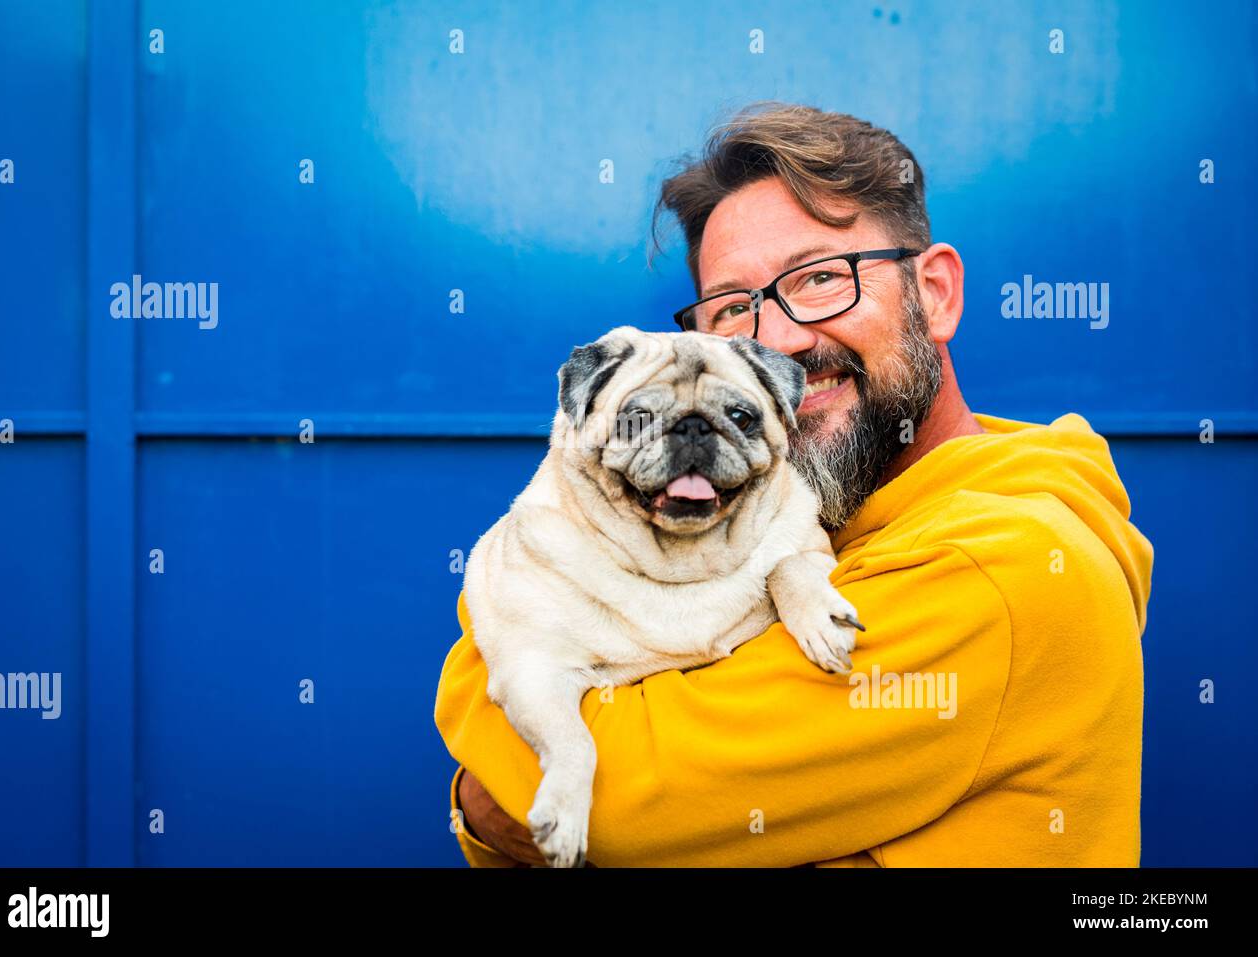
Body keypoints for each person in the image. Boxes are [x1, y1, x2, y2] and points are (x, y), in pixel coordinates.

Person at [434, 102, 1153, 867]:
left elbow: (626, 807)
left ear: (935, 292)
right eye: (734, 307)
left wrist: (481, 735)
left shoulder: (999, 568)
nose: (778, 339)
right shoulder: (818, 523)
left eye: (820, 278)